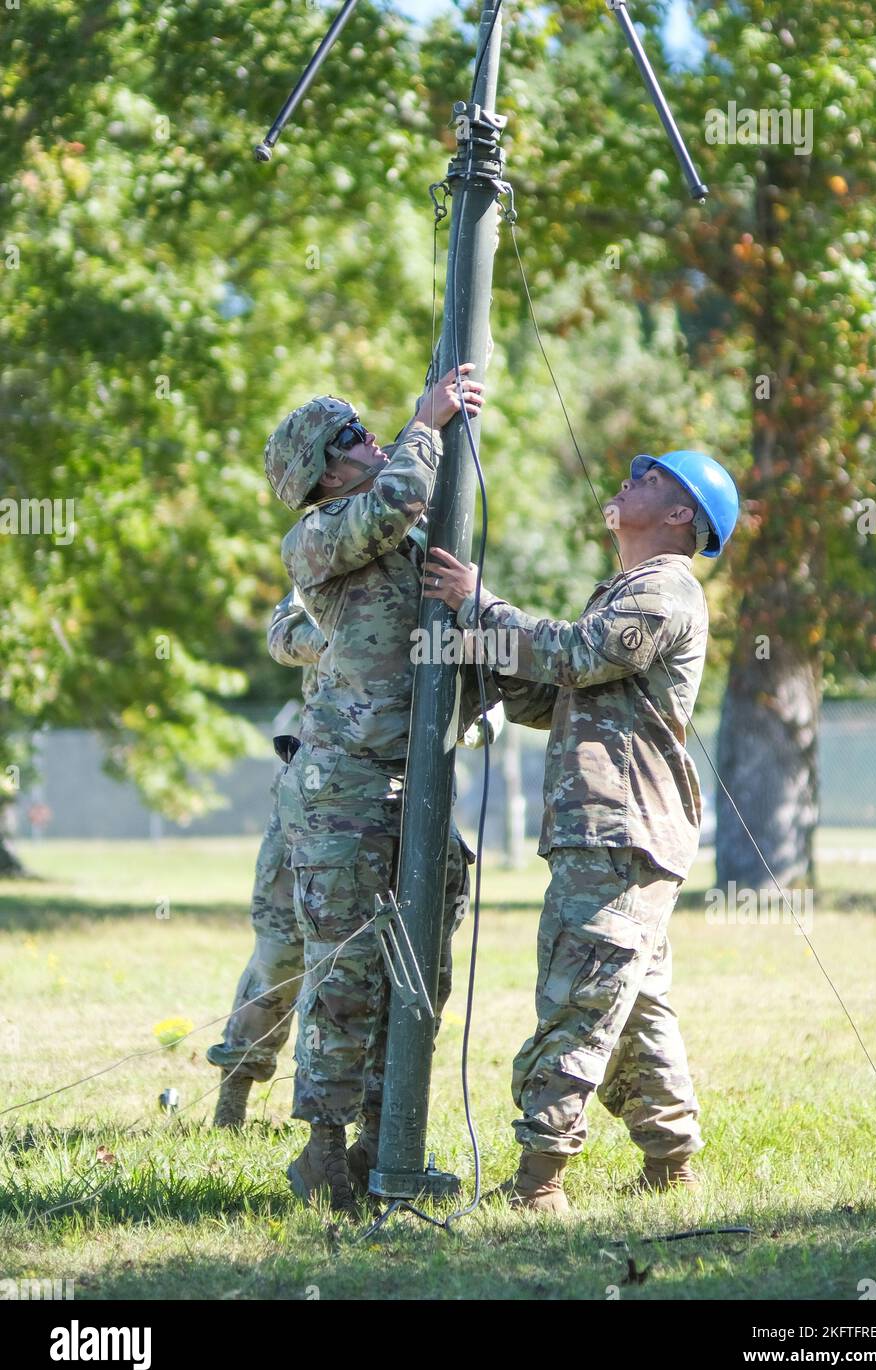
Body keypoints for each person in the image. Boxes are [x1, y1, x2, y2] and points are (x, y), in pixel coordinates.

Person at [425, 449, 739, 1212]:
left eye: (651, 479)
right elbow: (556, 694)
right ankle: (671, 1168)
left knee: (576, 999)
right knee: (630, 1006)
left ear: (679, 518)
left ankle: (539, 1185)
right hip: (619, 832)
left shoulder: (664, 588)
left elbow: (576, 654)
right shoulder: (630, 589)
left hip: (619, 833)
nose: (628, 480)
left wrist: (480, 606)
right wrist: (481, 654)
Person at [264, 364, 488, 1213]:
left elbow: (410, 511)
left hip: (413, 780)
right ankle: (322, 1155)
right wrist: (427, 422)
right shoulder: (320, 535)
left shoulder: (398, 528)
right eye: (353, 436)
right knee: (347, 970)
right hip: (346, 787)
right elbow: (393, 498)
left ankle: (381, 1146)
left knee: (416, 970)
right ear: (324, 471)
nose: (373, 439)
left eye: (370, 431)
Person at [207, 589, 326, 1127]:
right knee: (281, 950)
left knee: (376, 961)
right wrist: (348, 638)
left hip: (400, 797)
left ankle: (353, 1123)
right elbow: (282, 636)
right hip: (312, 790)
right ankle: (235, 1094)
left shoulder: (446, 565)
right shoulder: (333, 546)